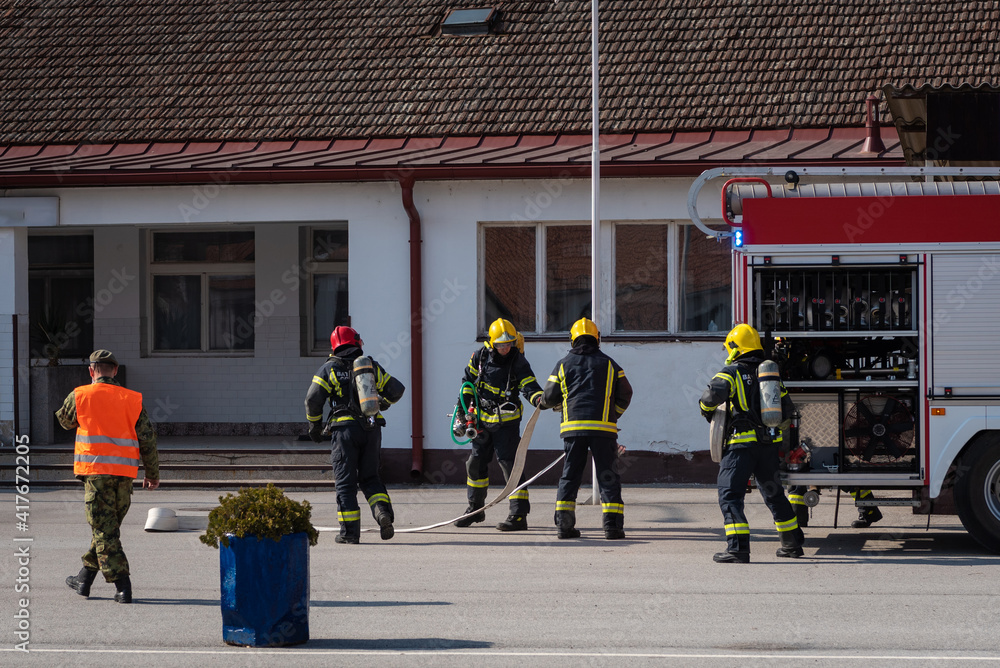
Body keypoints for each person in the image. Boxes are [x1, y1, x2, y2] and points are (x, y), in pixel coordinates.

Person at [58, 349, 159, 604]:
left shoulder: (80, 394)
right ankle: (84, 579)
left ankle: (123, 586)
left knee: (105, 532)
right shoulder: (133, 398)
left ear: (91, 371)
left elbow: (64, 421)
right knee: (107, 530)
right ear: (115, 370)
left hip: (95, 474)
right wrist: (152, 474)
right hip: (125, 476)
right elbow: (147, 438)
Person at [699, 324, 805, 563]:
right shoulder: (771, 375)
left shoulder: (731, 371)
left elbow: (709, 398)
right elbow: (787, 409)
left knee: (730, 495)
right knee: (774, 494)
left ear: (735, 347)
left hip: (740, 446)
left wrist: (706, 411)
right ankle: (792, 544)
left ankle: (737, 548)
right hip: (768, 446)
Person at [305, 326, 405, 544]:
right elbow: (397, 390)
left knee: (345, 483)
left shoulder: (329, 368)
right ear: (357, 343)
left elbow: (313, 399)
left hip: (344, 432)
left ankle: (349, 533)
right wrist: (382, 404)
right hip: (371, 429)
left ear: (334, 346)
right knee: (370, 478)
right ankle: (382, 513)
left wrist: (314, 426)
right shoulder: (369, 367)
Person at [537, 317, 632, 540]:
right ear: (597, 339)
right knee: (607, 476)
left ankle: (564, 526)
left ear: (573, 340)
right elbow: (626, 393)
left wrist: (551, 403)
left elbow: (549, 397)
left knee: (570, 476)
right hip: (604, 429)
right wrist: (613, 414)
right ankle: (612, 528)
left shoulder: (562, 364)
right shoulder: (610, 364)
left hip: (573, 429)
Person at [453, 318, 544, 531]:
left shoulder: (518, 361)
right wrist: (464, 411)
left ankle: (518, 515)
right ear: (491, 343)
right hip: (482, 422)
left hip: (507, 425)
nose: (505, 348)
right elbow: (467, 384)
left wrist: (539, 398)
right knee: (475, 464)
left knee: (510, 466)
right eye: (501, 344)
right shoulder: (479, 357)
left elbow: (529, 384)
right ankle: (475, 510)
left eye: (509, 343)